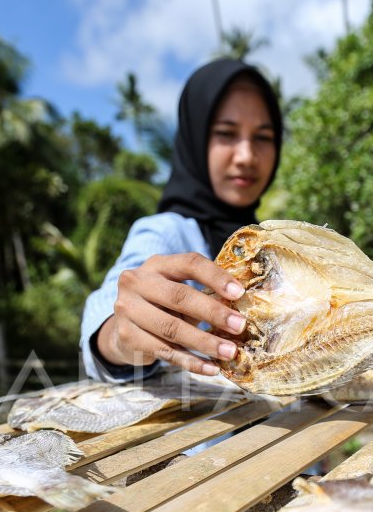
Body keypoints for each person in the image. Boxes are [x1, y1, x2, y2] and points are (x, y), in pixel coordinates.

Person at [80, 58, 283, 383]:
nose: (246, 156)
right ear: (195, 139)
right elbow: (115, 310)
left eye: (263, 137)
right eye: (226, 133)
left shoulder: (271, 244)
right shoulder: (167, 232)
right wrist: (118, 336)